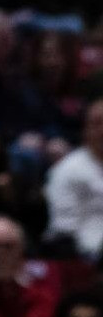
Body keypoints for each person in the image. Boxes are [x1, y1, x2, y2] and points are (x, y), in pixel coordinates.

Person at [47, 98, 103, 262]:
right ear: (86, 129)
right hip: (86, 254)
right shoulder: (67, 170)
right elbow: (64, 229)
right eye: (97, 124)